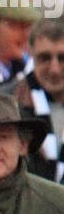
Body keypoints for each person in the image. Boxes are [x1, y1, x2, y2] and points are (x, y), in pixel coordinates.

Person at [15, 17, 64, 182]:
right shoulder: (10, 102)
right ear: (30, 53)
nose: (55, 69)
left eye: (62, 58)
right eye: (44, 58)